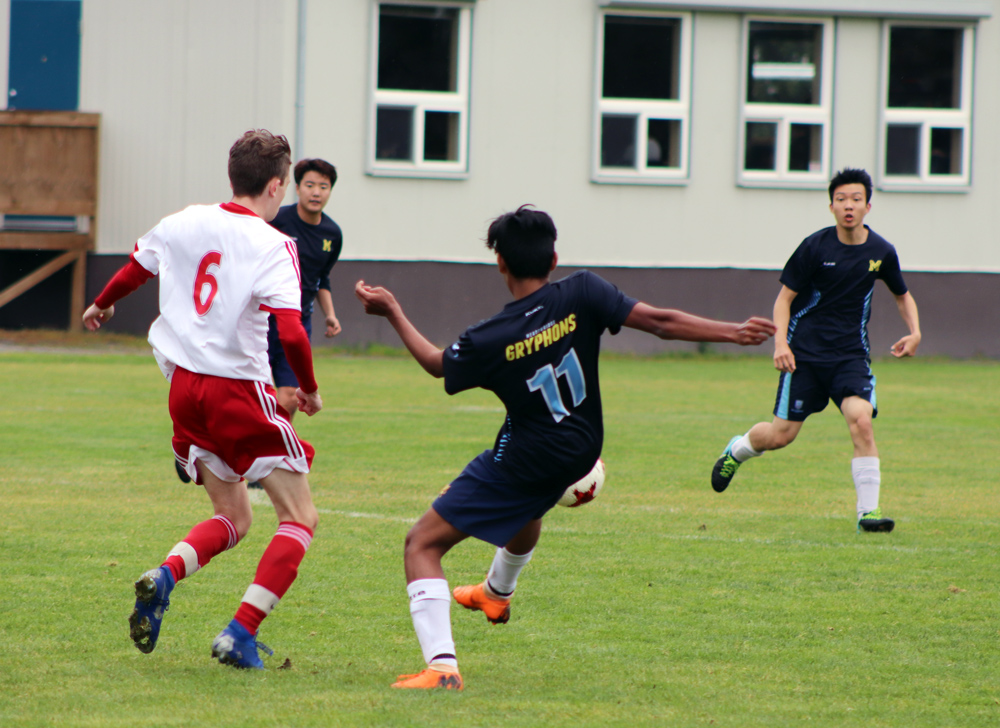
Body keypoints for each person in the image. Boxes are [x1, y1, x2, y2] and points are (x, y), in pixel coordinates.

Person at [354, 204, 777, 690]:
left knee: (421, 544)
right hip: (580, 448)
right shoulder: (583, 291)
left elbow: (435, 363)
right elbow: (660, 321)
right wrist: (733, 332)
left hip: (528, 459)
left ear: (500, 265)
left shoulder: (489, 338)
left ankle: (442, 669)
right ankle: (496, 593)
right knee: (527, 487)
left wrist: (393, 312)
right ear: (553, 258)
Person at [83, 129, 323, 669]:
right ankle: (239, 633)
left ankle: (163, 576)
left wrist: (101, 305)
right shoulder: (274, 243)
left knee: (234, 516)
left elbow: (136, 268)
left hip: (184, 390)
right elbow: (291, 331)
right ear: (277, 185)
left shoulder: (183, 220)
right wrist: (306, 387)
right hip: (235, 389)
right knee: (300, 516)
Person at [710, 168, 921, 533]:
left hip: (850, 358)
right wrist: (781, 343)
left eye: (856, 199)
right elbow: (784, 300)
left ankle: (867, 514)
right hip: (804, 358)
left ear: (868, 205)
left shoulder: (881, 251)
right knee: (780, 436)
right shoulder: (815, 247)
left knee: (862, 421)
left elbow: (902, 295)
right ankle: (738, 449)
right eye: (841, 200)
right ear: (831, 206)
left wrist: (915, 332)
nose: (848, 206)